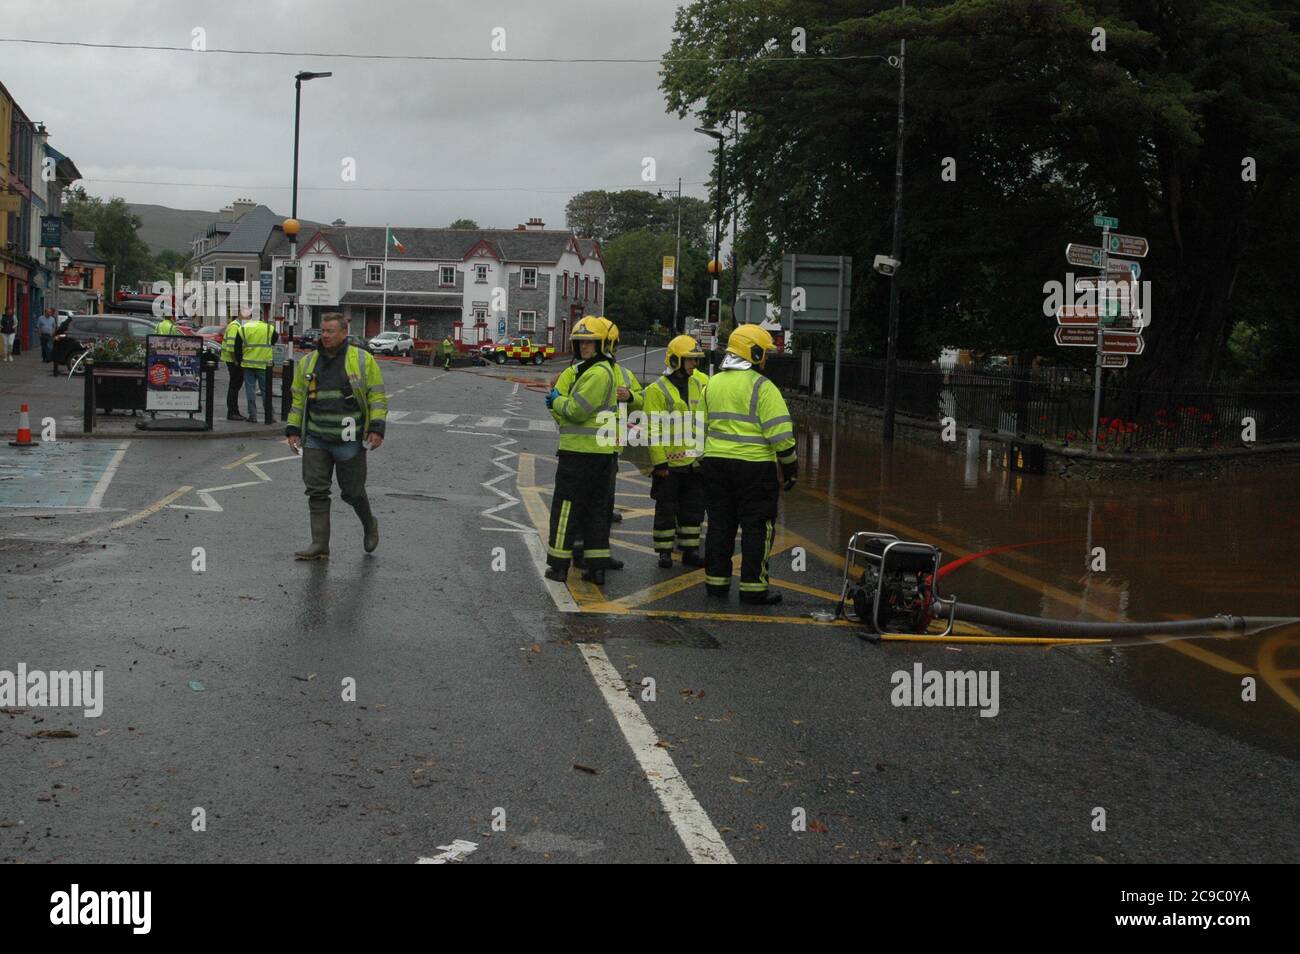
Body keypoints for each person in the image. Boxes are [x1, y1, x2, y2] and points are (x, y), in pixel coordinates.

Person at [700, 325, 798, 605]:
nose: (765, 358)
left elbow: (699, 428)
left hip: (715, 464)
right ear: (753, 353)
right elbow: (781, 436)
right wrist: (790, 469)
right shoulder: (763, 387)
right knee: (757, 528)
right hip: (754, 468)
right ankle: (753, 589)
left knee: (720, 525)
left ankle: (716, 585)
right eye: (763, 353)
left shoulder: (713, 383)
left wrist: (700, 463)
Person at [285, 313, 388, 560]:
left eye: (331, 331)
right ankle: (319, 544)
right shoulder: (308, 362)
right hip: (316, 437)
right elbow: (298, 399)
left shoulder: (362, 360)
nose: (325, 336)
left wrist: (376, 428)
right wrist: (292, 429)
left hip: (349, 436)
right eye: (323, 331)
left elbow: (376, 396)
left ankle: (369, 524)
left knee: (352, 492)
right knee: (316, 490)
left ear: (344, 333)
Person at [543, 315, 626, 585]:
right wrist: (560, 407)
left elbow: (576, 412)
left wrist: (556, 401)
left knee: (566, 509)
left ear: (601, 344)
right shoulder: (593, 370)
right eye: (580, 343)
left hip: (580, 456)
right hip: (598, 454)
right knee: (596, 512)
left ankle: (558, 566)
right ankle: (596, 568)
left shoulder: (597, 372)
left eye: (590, 342)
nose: (584, 347)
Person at [645, 335, 708, 569]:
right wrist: (659, 463)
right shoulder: (657, 389)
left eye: (696, 359)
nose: (694, 364)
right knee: (666, 509)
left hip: (694, 463)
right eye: (690, 359)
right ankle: (664, 552)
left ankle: (690, 551)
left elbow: (705, 422)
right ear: (675, 360)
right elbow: (652, 428)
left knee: (693, 509)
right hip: (669, 466)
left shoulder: (699, 385)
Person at [604, 320, 643, 524]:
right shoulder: (580, 371)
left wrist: (630, 396)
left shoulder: (624, 373)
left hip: (612, 442)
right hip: (587, 444)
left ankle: (607, 511)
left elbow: (641, 399)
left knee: (610, 479)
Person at [235, 310, 277, 422]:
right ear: (262, 316)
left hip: (248, 363)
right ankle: (269, 415)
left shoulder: (243, 328)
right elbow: (274, 340)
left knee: (250, 389)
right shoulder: (269, 328)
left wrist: (239, 360)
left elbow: (237, 348)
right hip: (264, 364)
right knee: (266, 390)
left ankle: (252, 415)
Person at [220, 313, 246, 421]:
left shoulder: (237, 326)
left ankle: (234, 411)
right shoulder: (235, 327)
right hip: (232, 360)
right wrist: (235, 361)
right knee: (234, 386)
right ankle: (232, 412)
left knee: (235, 386)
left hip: (232, 359)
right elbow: (231, 346)